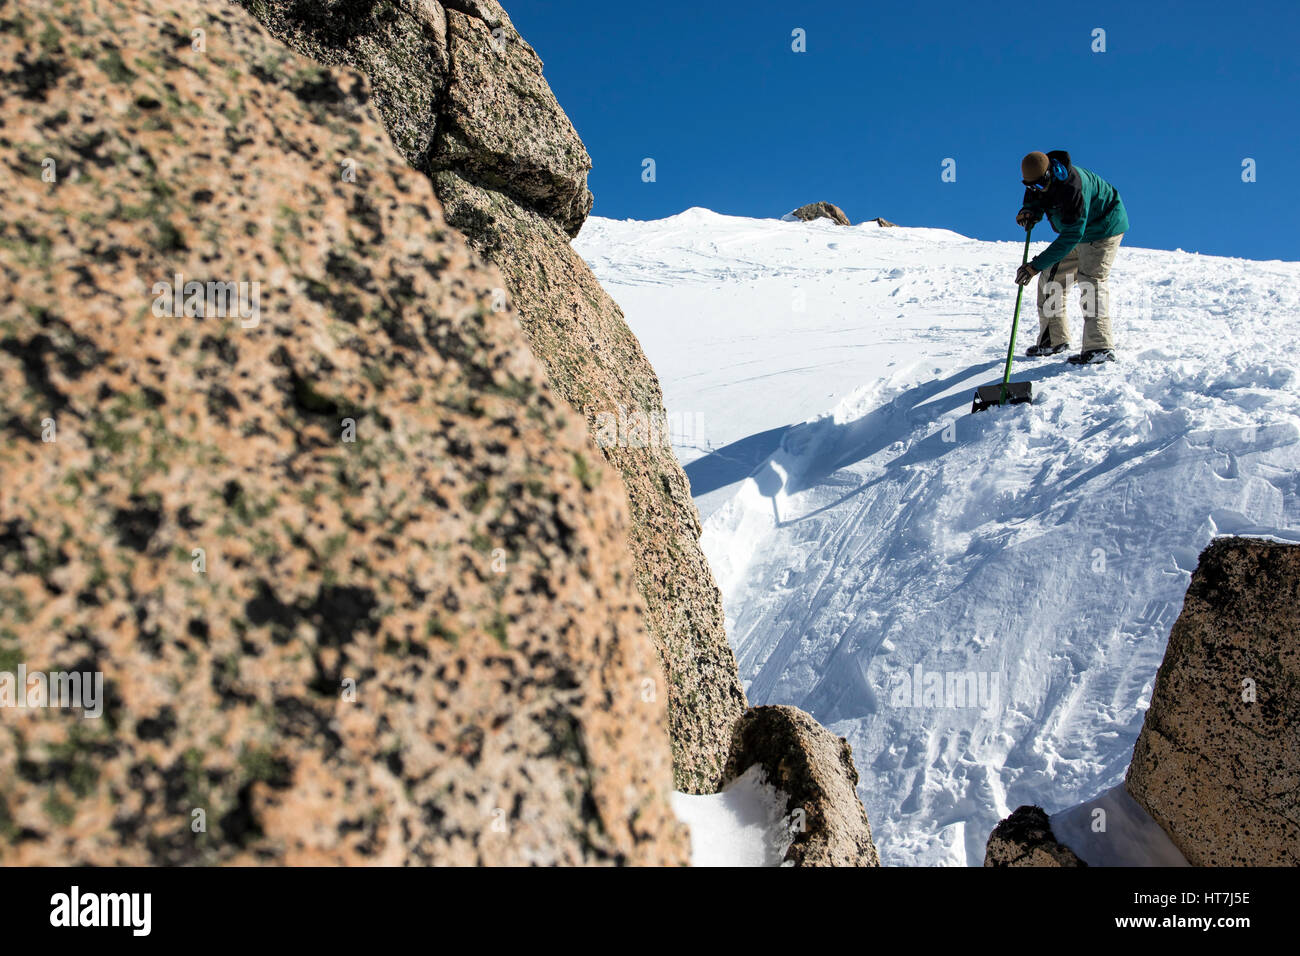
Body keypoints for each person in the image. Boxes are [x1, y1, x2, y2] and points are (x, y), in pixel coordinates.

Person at [1014, 150, 1129, 364]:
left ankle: (1099, 347)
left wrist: (1034, 266)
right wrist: (1030, 211)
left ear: (1050, 175)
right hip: (1079, 231)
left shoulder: (1072, 187)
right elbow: (1035, 199)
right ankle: (1053, 339)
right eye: (1030, 186)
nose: (1034, 189)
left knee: (1090, 281)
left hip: (1103, 228)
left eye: (1039, 184)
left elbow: (1071, 236)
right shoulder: (1037, 182)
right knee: (1052, 277)